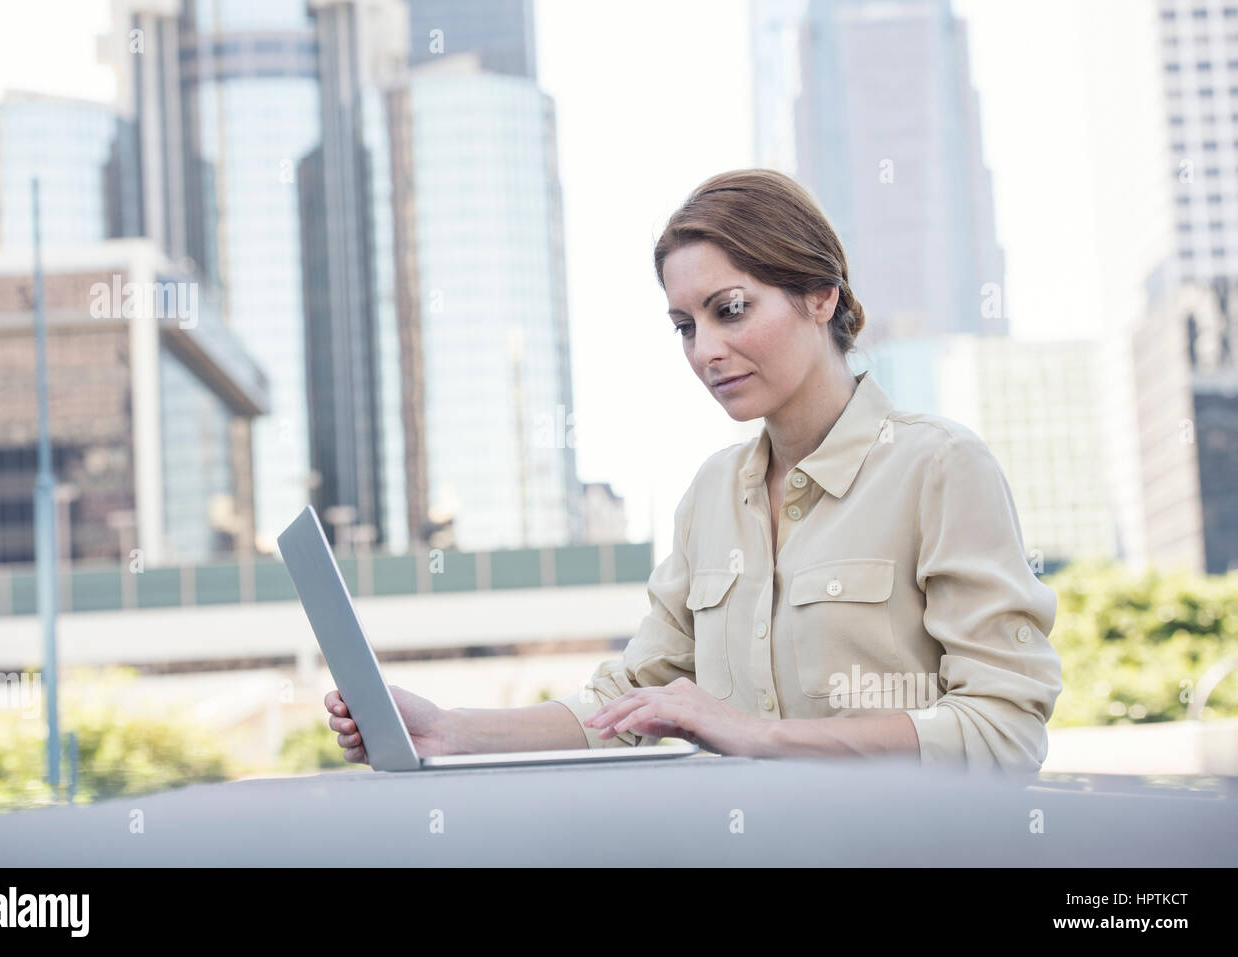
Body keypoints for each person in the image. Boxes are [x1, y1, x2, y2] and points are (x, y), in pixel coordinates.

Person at [326, 168, 1063, 773]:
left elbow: (1004, 729)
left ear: (820, 295)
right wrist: (449, 730)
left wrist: (756, 734)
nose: (705, 350)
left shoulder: (938, 467)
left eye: (731, 309)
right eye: (686, 325)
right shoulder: (712, 495)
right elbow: (631, 703)